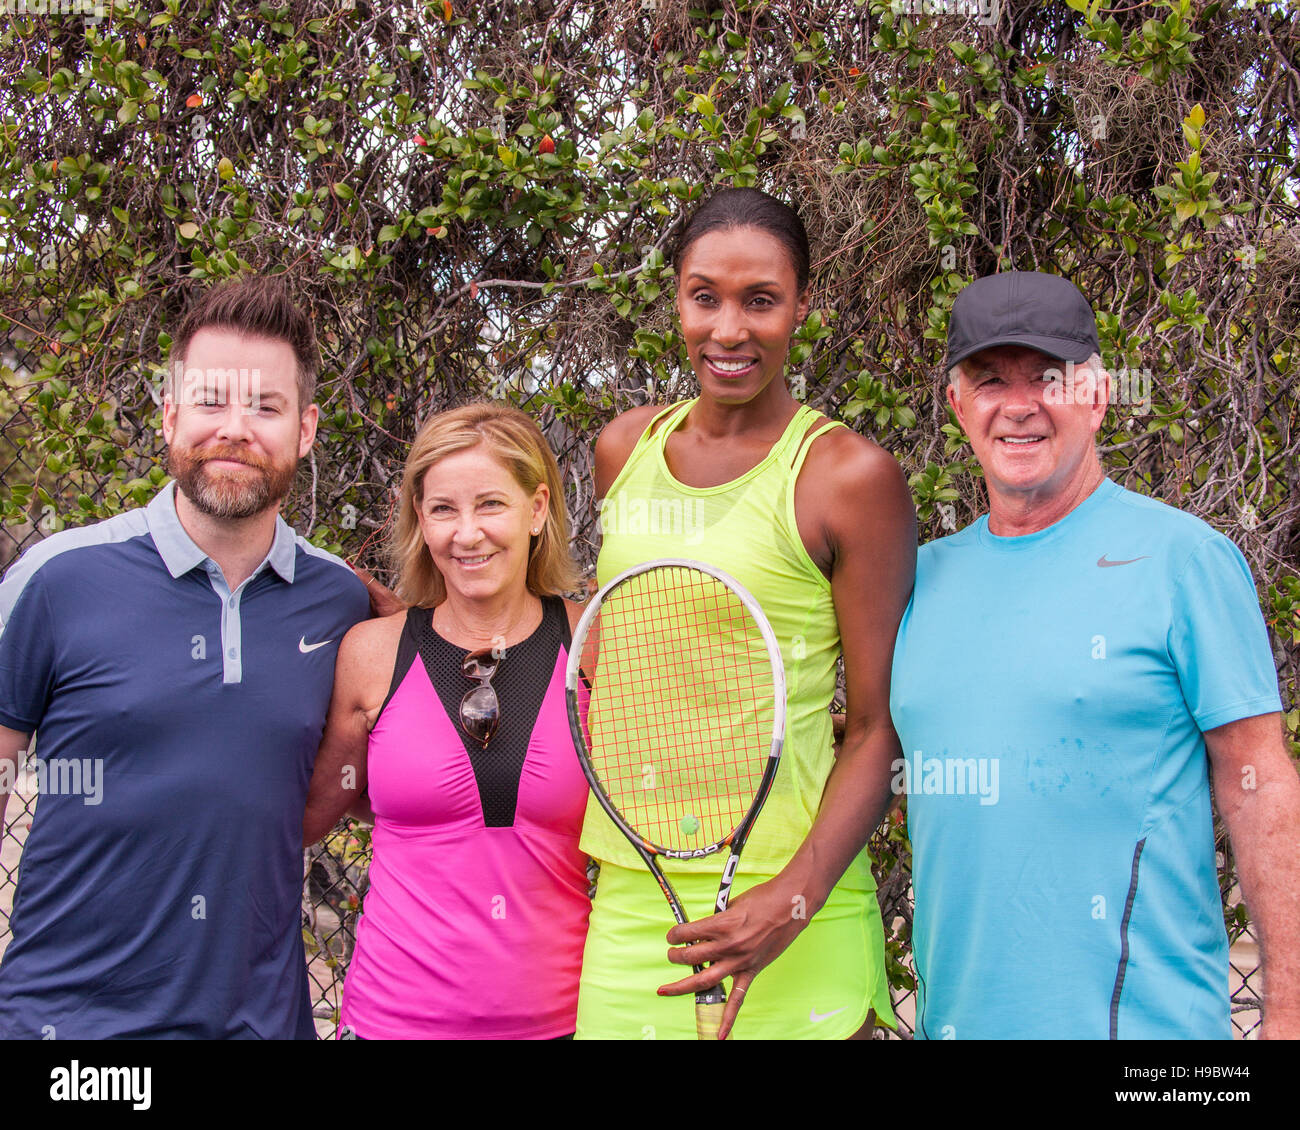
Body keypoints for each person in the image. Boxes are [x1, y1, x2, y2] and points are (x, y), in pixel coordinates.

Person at [890, 270, 1300, 1039]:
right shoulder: (923, 579)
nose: (1019, 404)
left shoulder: (1185, 561)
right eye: (989, 381)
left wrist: (1291, 1015)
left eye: (1049, 378)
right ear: (957, 407)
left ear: (1098, 395)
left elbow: (1261, 784)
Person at [575, 187, 917, 1040]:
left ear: (803, 304)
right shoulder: (624, 449)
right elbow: (630, 639)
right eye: (706, 297)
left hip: (794, 903)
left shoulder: (849, 477)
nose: (729, 330)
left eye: (761, 300)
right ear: (679, 301)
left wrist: (791, 899)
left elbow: (878, 726)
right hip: (634, 898)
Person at [0, 276, 370, 1038]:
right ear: (169, 418)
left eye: (266, 407)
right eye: (210, 402)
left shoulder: (342, 606)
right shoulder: (57, 578)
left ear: (305, 430)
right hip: (67, 1032)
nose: (235, 428)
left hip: (262, 1025)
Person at [302, 403, 592, 1039]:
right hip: (391, 1021)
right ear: (420, 521)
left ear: (538, 510)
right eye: (443, 510)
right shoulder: (372, 655)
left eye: (491, 504)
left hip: (564, 1021)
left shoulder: (593, 645)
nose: (467, 534)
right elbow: (314, 810)